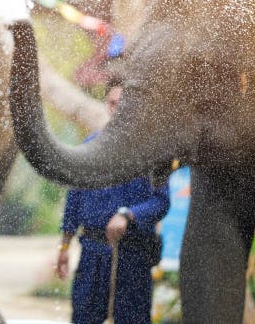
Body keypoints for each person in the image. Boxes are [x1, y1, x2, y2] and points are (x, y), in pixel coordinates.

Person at [56, 77, 170, 324]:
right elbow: (74, 199)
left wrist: (128, 215)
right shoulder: (90, 145)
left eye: (123, 105)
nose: (116, 110)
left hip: (133, 254)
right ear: (106, 105)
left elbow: (162, 202)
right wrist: (64, 246)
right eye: (112, 104)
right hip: (92, 253)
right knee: (84, 318)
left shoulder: (152, 150)